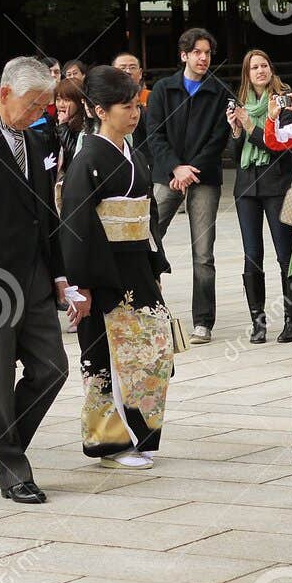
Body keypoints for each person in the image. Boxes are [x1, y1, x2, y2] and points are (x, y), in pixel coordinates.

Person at [0, 57, 88, 503]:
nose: (39, 112)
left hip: (35, 275)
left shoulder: (35, 139)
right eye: (32, 103)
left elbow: (47, 213)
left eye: (45, 104)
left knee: (52, 369)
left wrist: (62, 275)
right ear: (4, 94)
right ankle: (13, 470)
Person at [61, 66, 172, 469]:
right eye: (125, 106)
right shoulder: (87, 158)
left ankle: (141, 433)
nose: (134, 113)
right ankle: (110, 441)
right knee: (107, 355)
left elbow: (149, 214)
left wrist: (154, 262)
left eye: (136, 105)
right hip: (104, 270)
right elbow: (77, 224)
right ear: (99, 110)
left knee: (149, 351)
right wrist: (83, 284)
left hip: (137, 264)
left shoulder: (134, 154)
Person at [147, 27, 230, 343]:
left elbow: (218, 138)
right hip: (167, 175)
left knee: (203, 253)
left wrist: (190, 170)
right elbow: (154, 134)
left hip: (204, 177)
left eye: (207, 53)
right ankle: (148, 306)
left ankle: (203, 321)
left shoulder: (219, 91)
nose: (203, 58)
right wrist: (175, 167)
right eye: (197, 52)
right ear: (184, 55)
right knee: (148, 238)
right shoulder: (163, 89)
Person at [226, 50, 292, 344]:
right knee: (251, 255)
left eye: (264, 65)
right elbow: (234, 156)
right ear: (247, 73)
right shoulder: (242, 105)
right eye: (254, 67)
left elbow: (277, 144)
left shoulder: (283, 102)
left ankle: (291, 320)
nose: (260, 71)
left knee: (285, 254)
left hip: (277, 184)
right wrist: (235, 131)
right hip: (246, 187)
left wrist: (248, 125)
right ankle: (258, 322)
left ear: (271, 69)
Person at [112, 51, 149, 164]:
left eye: (132, 67)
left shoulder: (151, 97)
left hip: (145, 161)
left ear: (140, 73)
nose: (128, 72)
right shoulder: (107, 101)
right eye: (122, 67)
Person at [53, 78, 88, 180]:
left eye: (67, 100)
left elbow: (75, 154)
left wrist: (63, 127)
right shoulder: (56, 120)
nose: (61, 104)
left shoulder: (85, 125)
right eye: (58, 99)